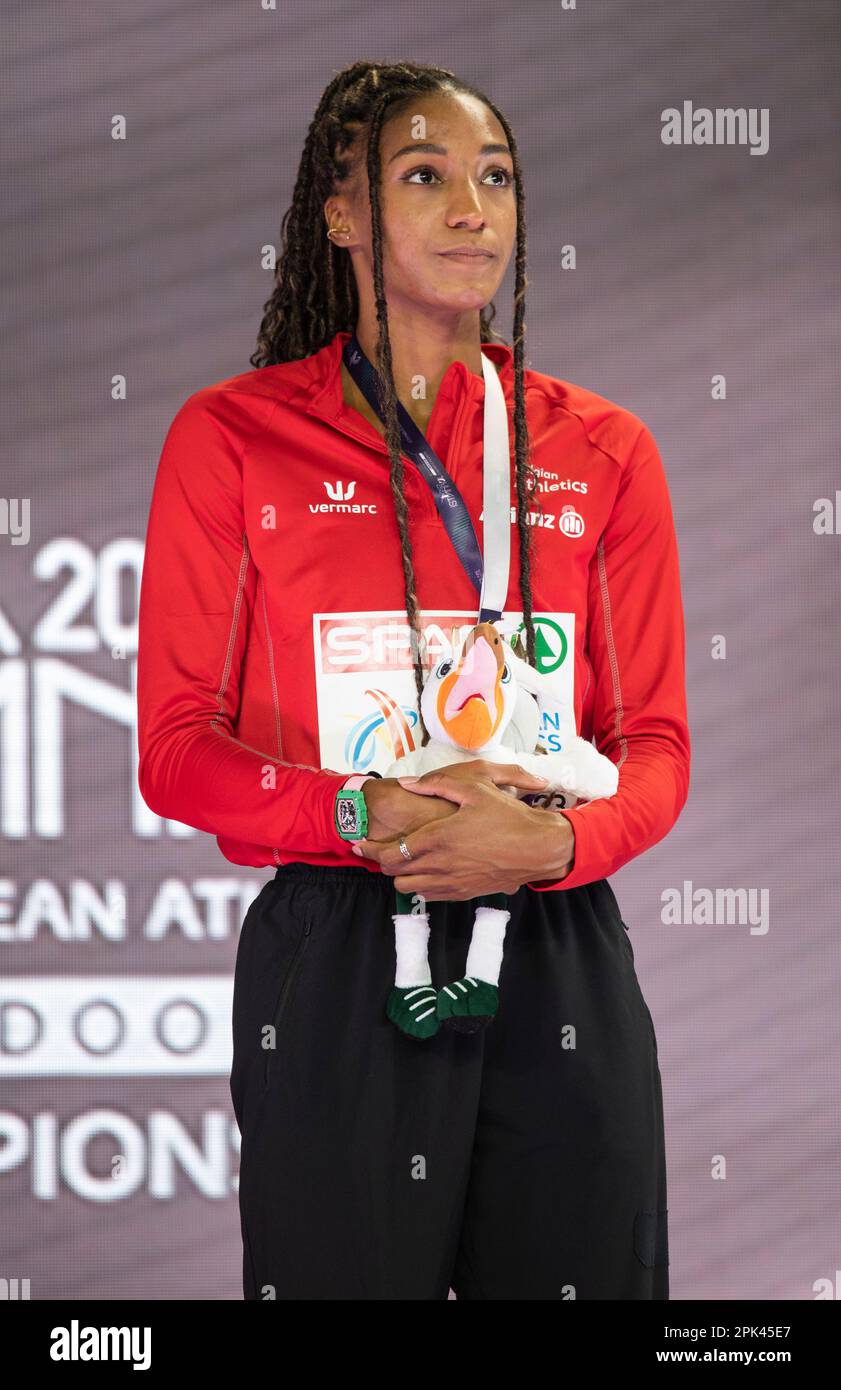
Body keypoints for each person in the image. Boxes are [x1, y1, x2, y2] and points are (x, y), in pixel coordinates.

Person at [136, 58, 690, 1300]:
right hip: (336, 948)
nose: (470, 208)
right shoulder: (233, 437)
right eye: (424, 175)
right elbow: (175, 746)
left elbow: (654, 740)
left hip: (555, 938)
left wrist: (553, 850)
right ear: (341, 216)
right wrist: (354, 811)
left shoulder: (602, 448)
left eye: (494, 177)